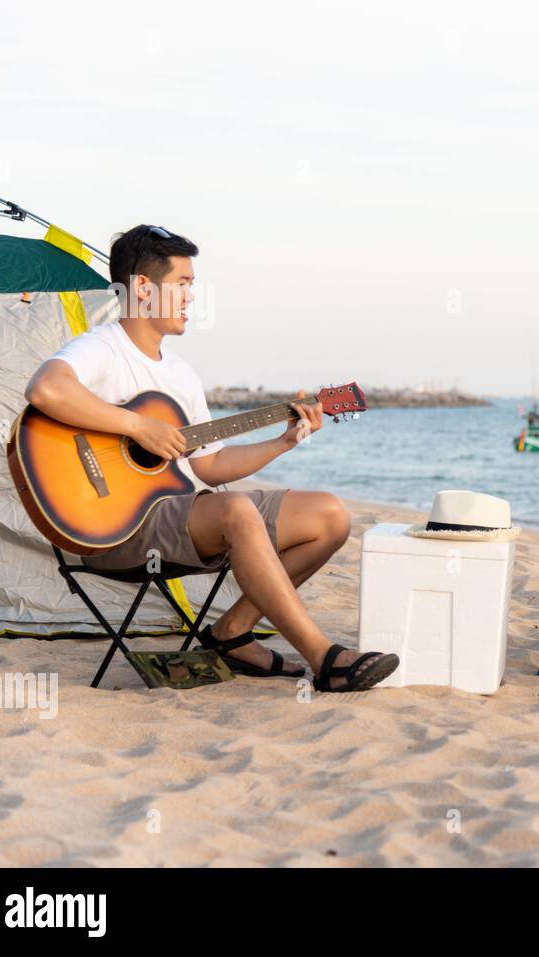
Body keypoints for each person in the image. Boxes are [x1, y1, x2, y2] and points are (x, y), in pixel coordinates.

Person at [23, 224, 397, 692]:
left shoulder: (181, 374)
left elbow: (209, 466)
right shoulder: (102, 347)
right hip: (115, 529)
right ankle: (325, 659)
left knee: (330, 515)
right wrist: (138, 426)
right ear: (142, 287)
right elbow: (45, 389)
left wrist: (284, 441)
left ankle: (232, 633)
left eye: (191, 287)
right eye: (182, 285)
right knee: (237, 508)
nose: (190, 298)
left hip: (178, 519)